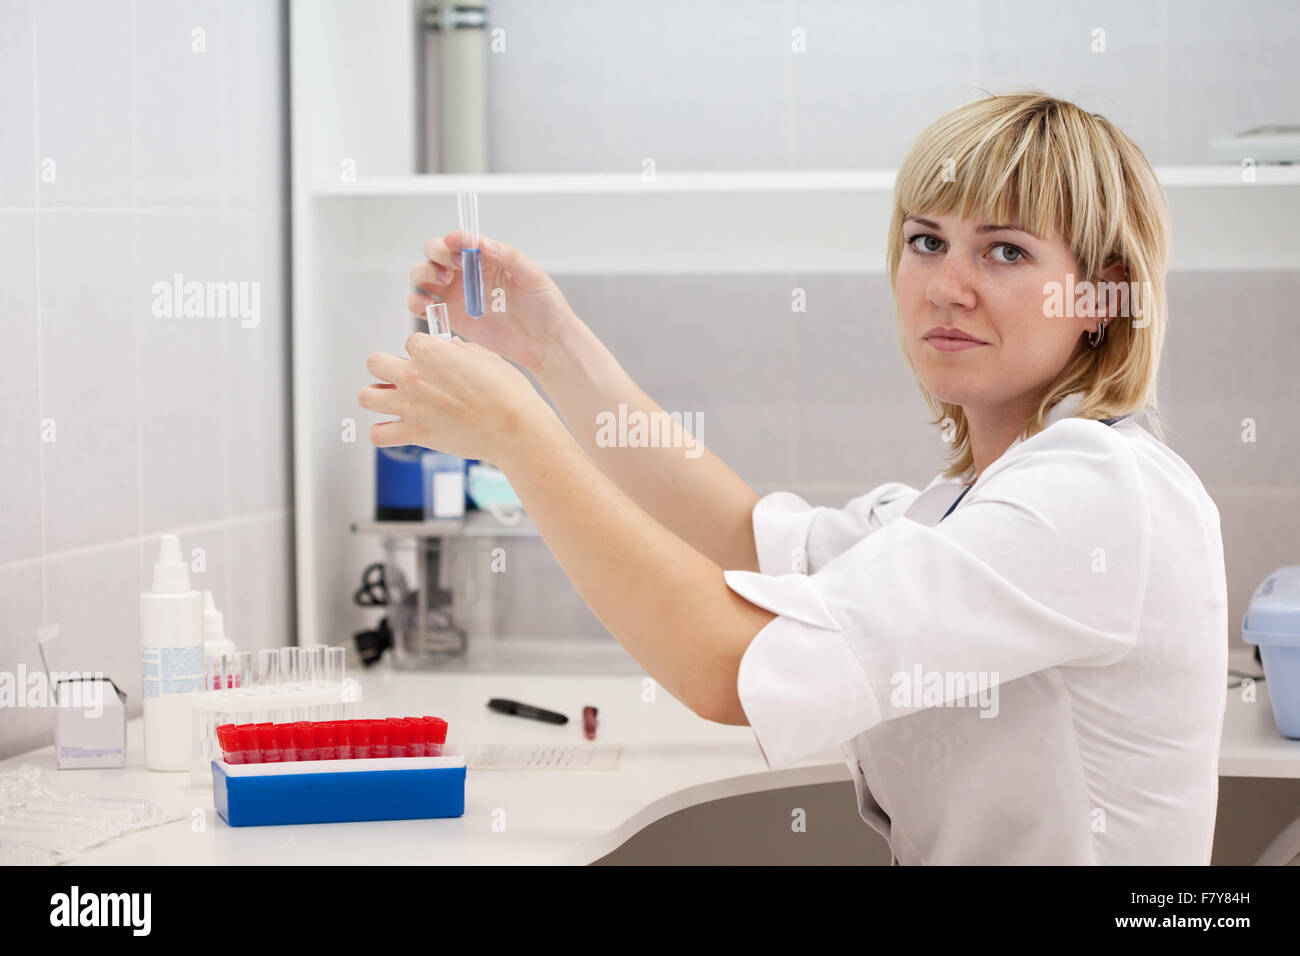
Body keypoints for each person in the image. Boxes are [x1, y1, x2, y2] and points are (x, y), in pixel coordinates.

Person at [359, 92, 1227, 864]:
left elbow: (727, 666)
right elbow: (745, 534)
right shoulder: (971, 503)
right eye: (927, 241)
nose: (947, 287)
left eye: (1005, 253)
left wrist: (517, 433)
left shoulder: (1098, 491)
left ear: (1102, 295)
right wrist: (551, 348)